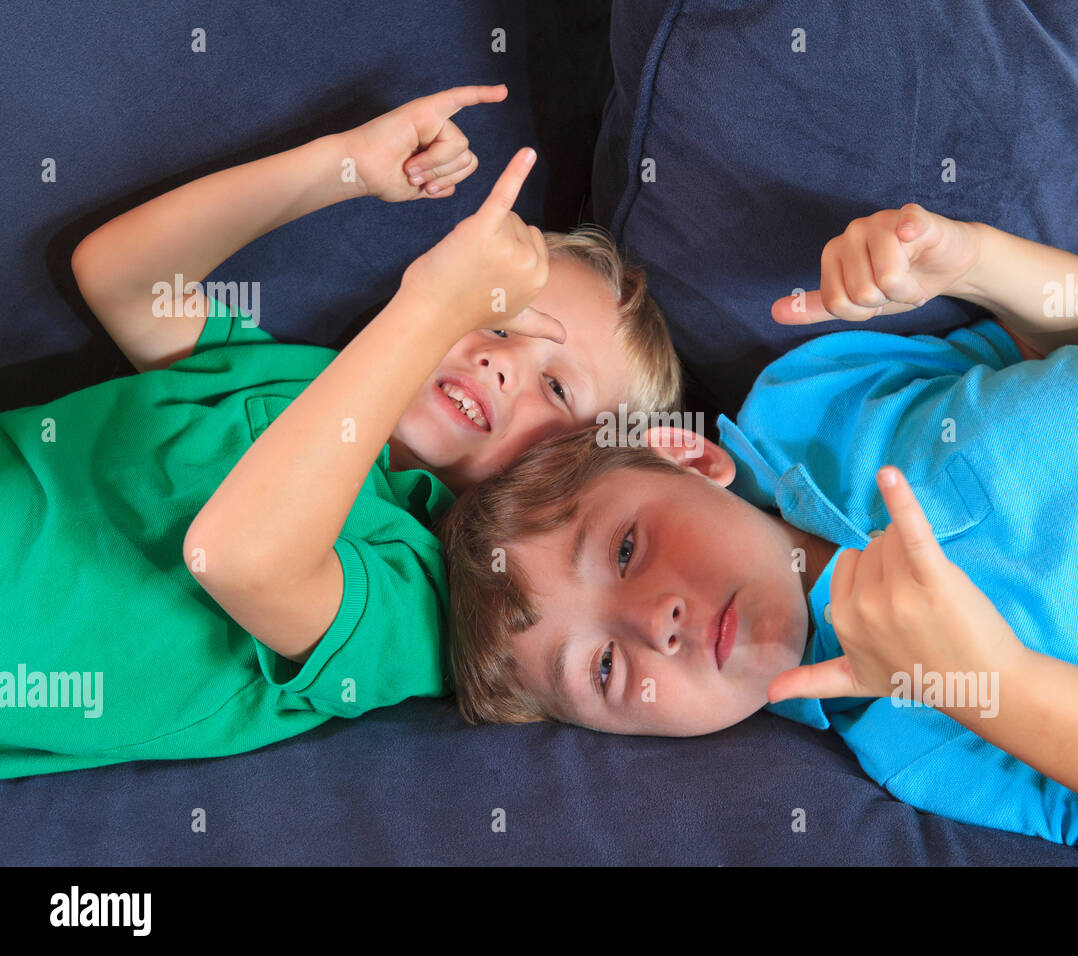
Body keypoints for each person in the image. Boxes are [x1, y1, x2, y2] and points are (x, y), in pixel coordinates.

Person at [435, 202, 1078, 866]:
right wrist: (998, 685)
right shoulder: (919, 746)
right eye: (605, 668)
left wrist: (978, 263)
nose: (652, 622)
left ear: (689, 457)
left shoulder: (810, 399)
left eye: (625, 549)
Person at [0, 86, 682, 779]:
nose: (499, 361)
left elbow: (243, 559)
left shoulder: (423, 597)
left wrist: (438, 305)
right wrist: (344, 165)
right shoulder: (302, 375)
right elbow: (118, 276)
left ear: (570, 474)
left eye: (557, 388)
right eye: (496, 314)